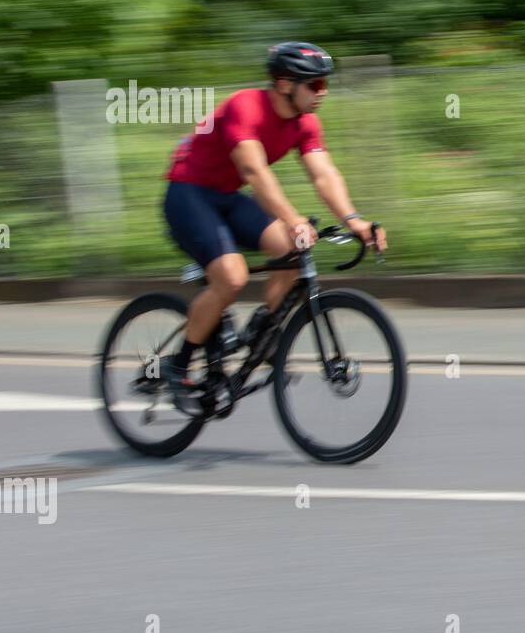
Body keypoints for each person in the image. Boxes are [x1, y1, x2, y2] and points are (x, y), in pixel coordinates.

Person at [160, 41, 386, 415]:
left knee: (293, 251)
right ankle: (178, 365)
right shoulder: (244, 107)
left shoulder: (306, 122)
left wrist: (354, 219)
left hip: (228, 196)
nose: (322, 93)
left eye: (325, 84)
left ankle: (262, 332)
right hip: (188, 193)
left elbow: (324, 174)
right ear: (284, 84)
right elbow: (254, 172)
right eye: (314, 85)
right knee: (231, 279)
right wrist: (294, 218)